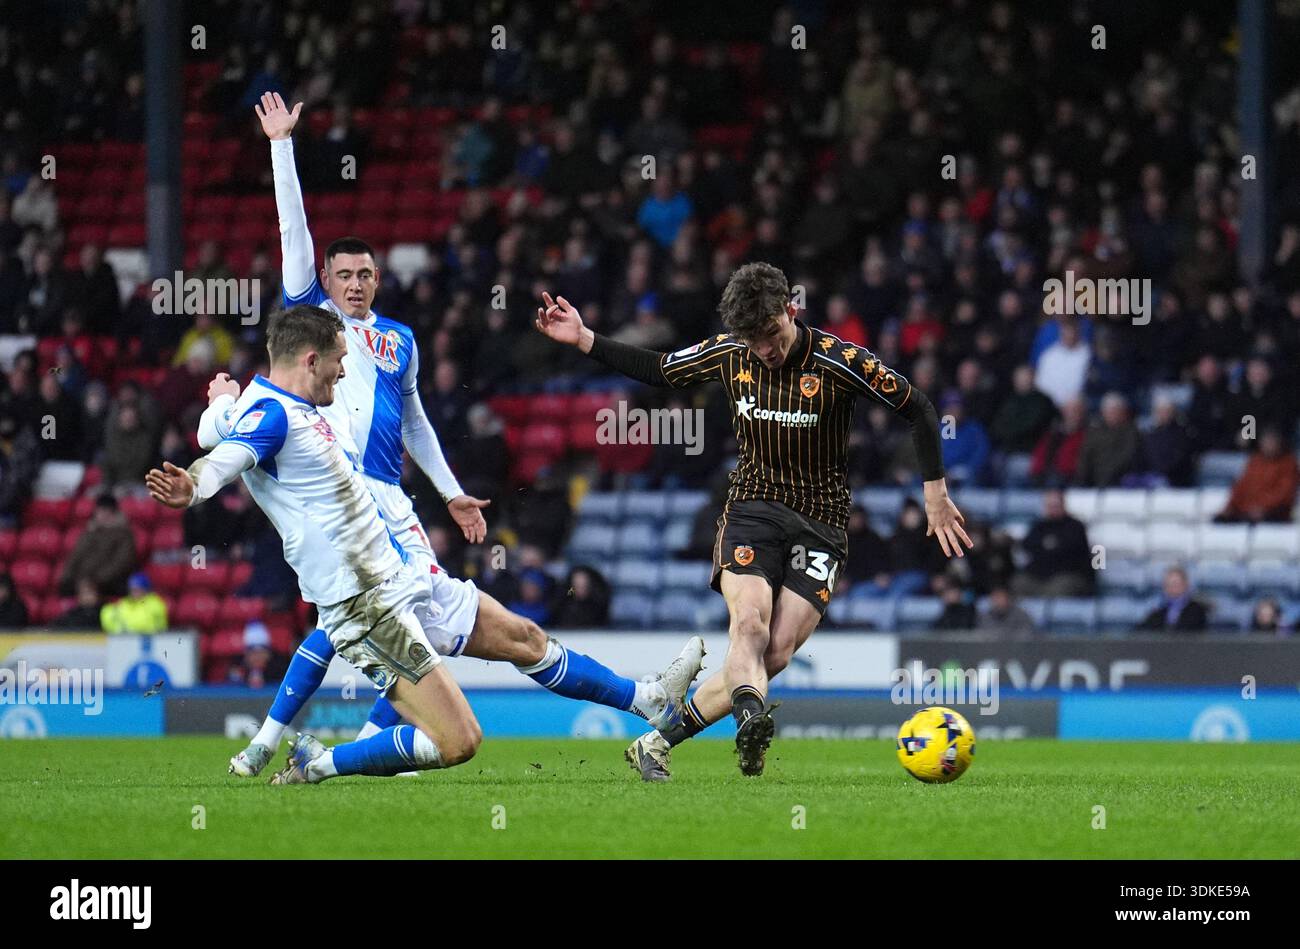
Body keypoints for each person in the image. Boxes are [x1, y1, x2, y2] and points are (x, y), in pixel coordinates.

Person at [207, 93, 704, 778]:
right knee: (374, 634)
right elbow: (293, 230)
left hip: (393, 507)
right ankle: (286, 748)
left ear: (379, 279)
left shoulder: (397, 341)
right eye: (342, 274)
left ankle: (641, 699)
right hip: (345, 511)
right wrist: (282, 147)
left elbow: (415, 423)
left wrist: (453, 493)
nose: (353, 284)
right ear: (323, 280)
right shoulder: (311, 319)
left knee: (507, 636)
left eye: (364, 274)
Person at [535, 262, 971, 780]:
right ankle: (752, 720)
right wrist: (585, 337)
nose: (764, 348)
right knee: (749, 625)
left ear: (791, 309)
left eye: (770, 333)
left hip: (822, 522)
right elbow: (660, 369)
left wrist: (935, 494)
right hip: (752, 508)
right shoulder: (731, 353)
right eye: (752, 338)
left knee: (777, 652)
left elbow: (918, 408)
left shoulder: (838, 361)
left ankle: (656, 741)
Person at [1014, 489, 1095, 596]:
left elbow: (1070, 550)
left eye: (1055, 506)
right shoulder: (1039, 526)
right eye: (1049, 506)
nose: (1052, 509)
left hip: (1068, 575)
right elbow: (1028, 545)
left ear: (1063, 505)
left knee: (1058, 588)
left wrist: (1047, 547)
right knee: (1019, 583)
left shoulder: (1075, 526)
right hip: (1039, 576)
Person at [58, 494, 137, 598]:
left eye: (104, 511)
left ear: (112, 512)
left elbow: (121, 562)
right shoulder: (89, 532)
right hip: (82, 580)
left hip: (105, 583)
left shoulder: (123, 534)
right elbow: (75, 556)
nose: (99, 514)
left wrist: (96, 580)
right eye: (98, 511)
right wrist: (67, 578)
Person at [1216, 429, 1299, 523]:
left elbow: (1284, 493)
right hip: (1248, 510)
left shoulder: (1288, 464)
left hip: (1274, 513)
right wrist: (1231, 507)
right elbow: (1241, 487)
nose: (1269, 445)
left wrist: (1262, 507)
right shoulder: (1255, 461)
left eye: (1272, 442)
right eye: (1266, 442)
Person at [1135, 567, 1209, 633]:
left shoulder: (1198, 610)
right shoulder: (1158, 613)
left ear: (1185, 585)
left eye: (1175, 584)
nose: (1172, 588)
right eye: (1168, 585)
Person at [100, 573, 169, 634]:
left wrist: (126, 627)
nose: (134, 592)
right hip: (126, 641)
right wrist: (121, 629)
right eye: (132, 589)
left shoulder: (155, 603)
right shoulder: (124, 603)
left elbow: (144, 625)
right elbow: (108, 618)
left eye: (138, 589)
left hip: (151, 642)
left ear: (146, 590)